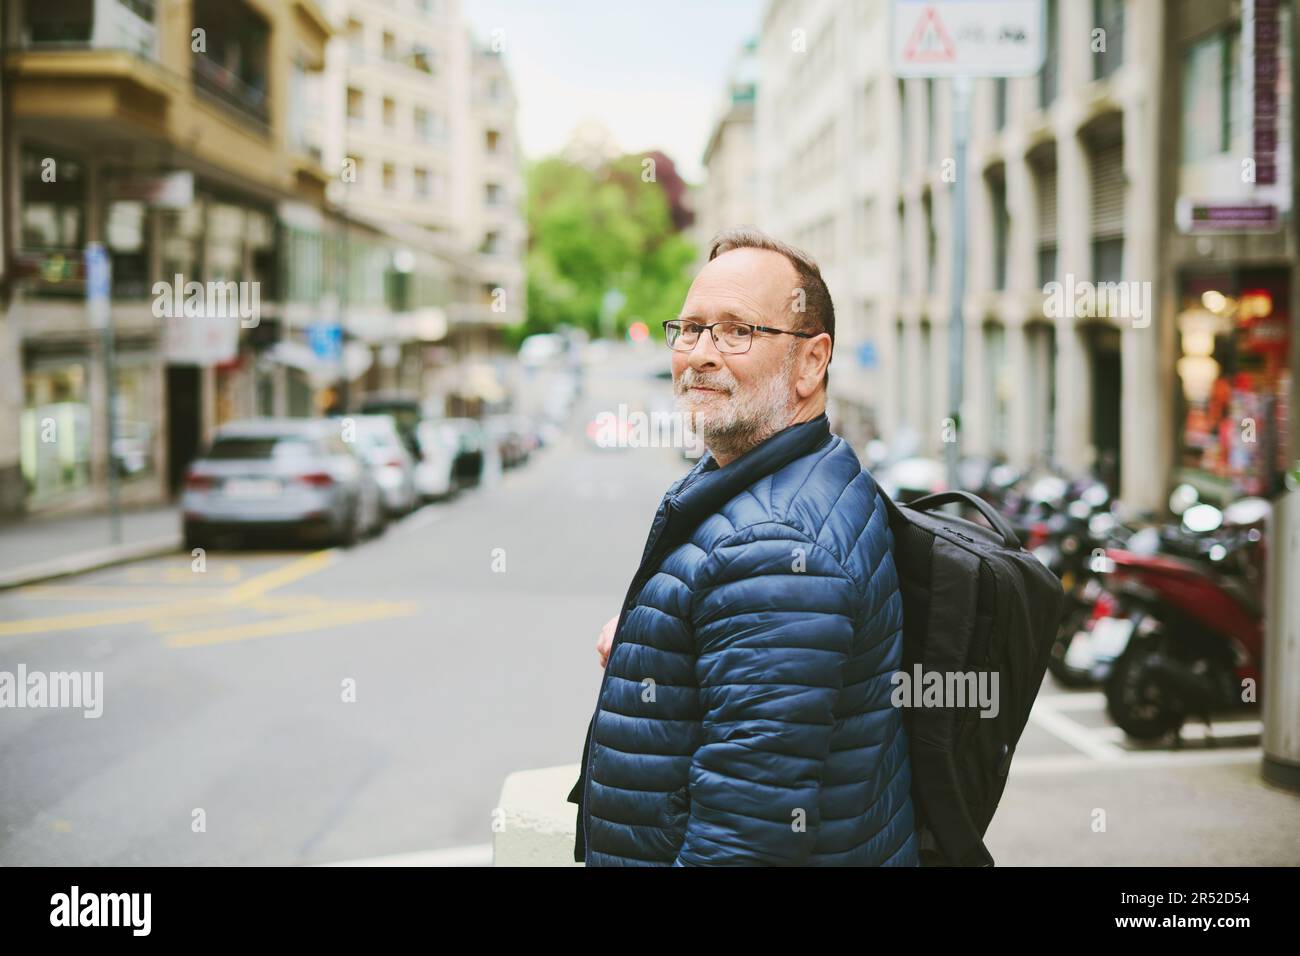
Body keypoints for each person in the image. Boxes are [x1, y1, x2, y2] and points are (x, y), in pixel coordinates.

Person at [567, 226, 918, 866]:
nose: (700, 352)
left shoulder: (776, 546)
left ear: (812, 361)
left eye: (737, 331)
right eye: (691, 328)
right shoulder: (803, 474)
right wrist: (662, 638)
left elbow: (744, 845)